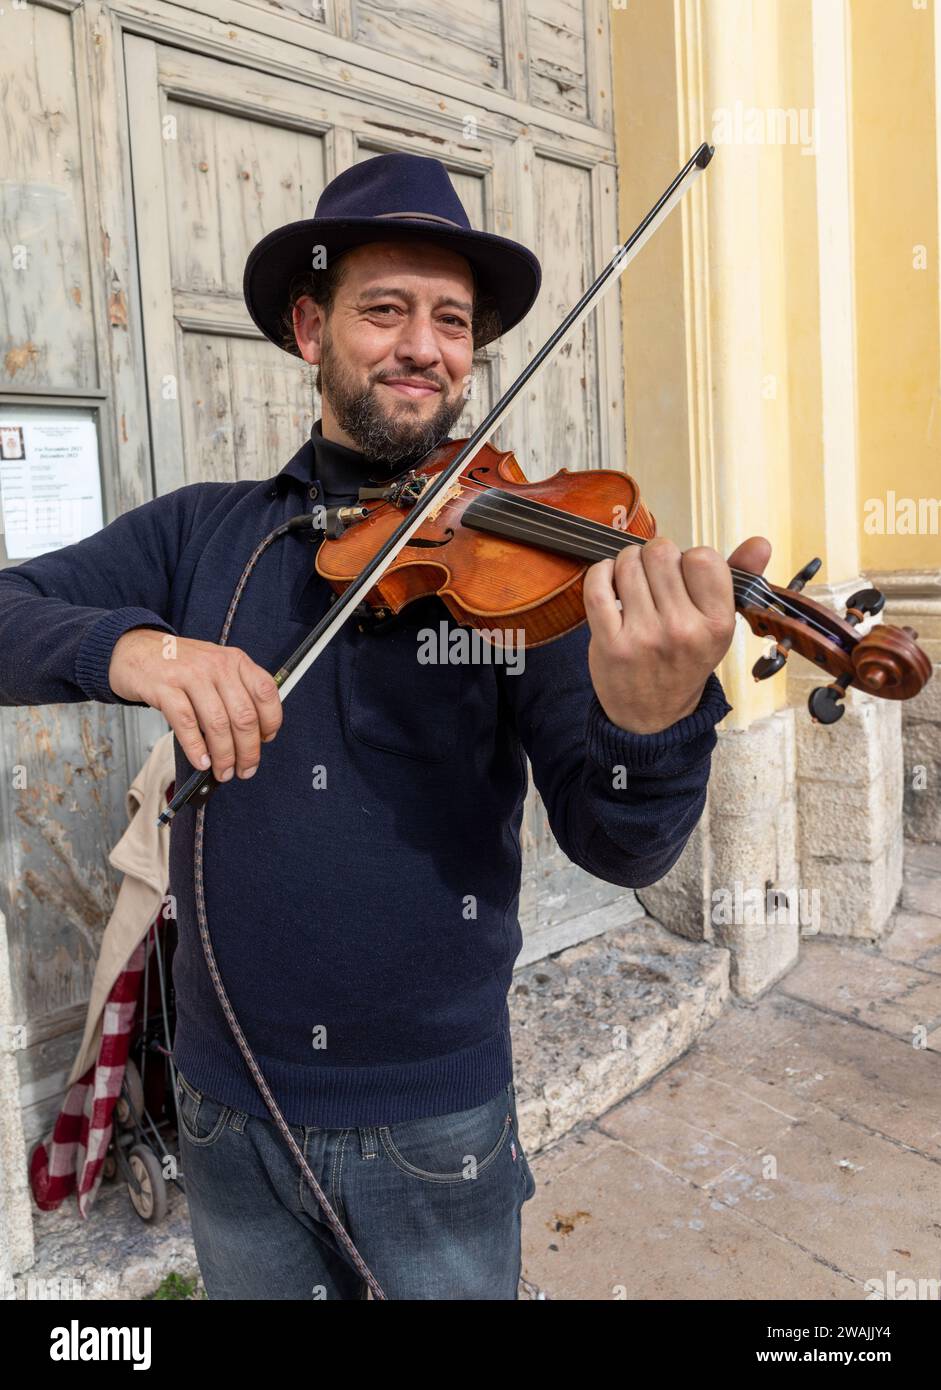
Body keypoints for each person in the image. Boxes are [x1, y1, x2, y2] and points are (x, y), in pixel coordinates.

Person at [0, 152, 769, 1300]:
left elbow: (622, 848)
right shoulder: (206, 533)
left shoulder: (523, 565)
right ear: (310, 328)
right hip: (224, 1107)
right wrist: (134, 650)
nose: (423, 345)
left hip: (433, 1119)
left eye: (451, 320)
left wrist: (651, 725)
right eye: (385, 310)